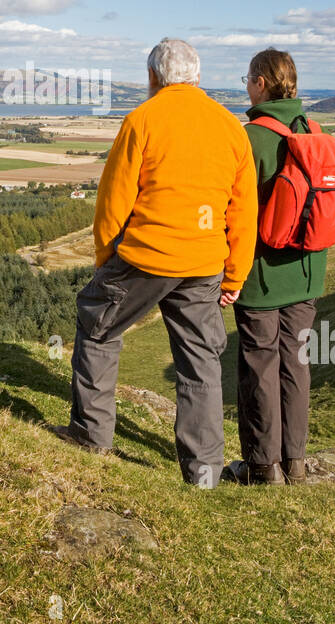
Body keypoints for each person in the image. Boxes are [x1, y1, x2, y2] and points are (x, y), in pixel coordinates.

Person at [51, 37, 258, 487]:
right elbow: (243, 210)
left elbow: (113, 201)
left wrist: (105, 259)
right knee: (200, 361)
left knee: (99, 328)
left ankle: (91, 437)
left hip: (146, 258)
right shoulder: (229, 126)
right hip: (205, 263)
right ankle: (204, 473)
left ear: (152, 78)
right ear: (198, 77)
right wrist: (236, 273)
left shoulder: (141, 119)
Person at [230, 48, 326, 485]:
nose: (246, 85)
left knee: (259, 367)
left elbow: (236, 211)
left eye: (248, 78)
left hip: (261, 276)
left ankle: (263, 467)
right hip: (307, 272)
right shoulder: (313, 130)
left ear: (262, 83)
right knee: (296, 364)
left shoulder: (250, 137)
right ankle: (296, 463)